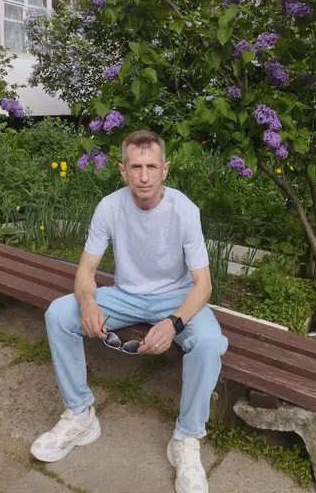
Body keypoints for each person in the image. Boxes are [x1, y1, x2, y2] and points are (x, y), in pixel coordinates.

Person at [31, 130, 228, 493]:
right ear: (122, 171)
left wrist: (173, 323)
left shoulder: (184, 210)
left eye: (152, 166)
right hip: (125, 295)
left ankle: (186, 438)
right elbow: (85, 271)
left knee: (209, 342)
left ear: (165, 169)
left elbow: (203, 285)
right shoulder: (109, 207)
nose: (144, 176)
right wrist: (88, 303)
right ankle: (80, 415)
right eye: (136, 167)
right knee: (59, 314)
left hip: (176, 298)